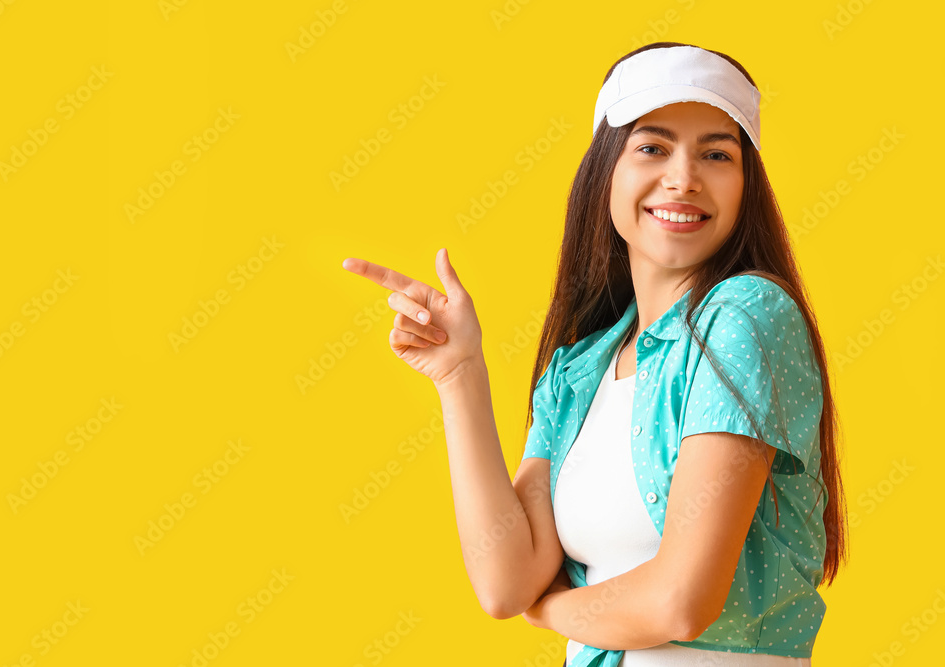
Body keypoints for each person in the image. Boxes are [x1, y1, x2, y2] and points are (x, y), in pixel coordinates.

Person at [342, 41, 847, 667]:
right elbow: (506, 582)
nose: (683, 177)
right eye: (652, 147)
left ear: (747, 188)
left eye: (717, 154)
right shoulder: (579, 370)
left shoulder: (746, 316)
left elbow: (681, 603)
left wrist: (552, 611)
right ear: (605, 172)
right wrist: (459, 375)